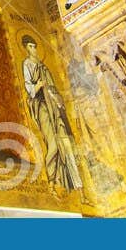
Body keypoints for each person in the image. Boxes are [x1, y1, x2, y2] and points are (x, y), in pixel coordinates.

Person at [21, 36, 82, 191]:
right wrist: (39, 85)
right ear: (26, 48)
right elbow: (29, 88)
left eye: (34, 46)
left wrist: (58, 100)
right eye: (30, 46)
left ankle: (69, 184)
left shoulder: (44, 67)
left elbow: (53, 87)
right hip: (41, 105)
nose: (34, 49)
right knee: (53, 145)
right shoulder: (27, 64)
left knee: (65, 142)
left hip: (53, 107)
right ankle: (51, 181)